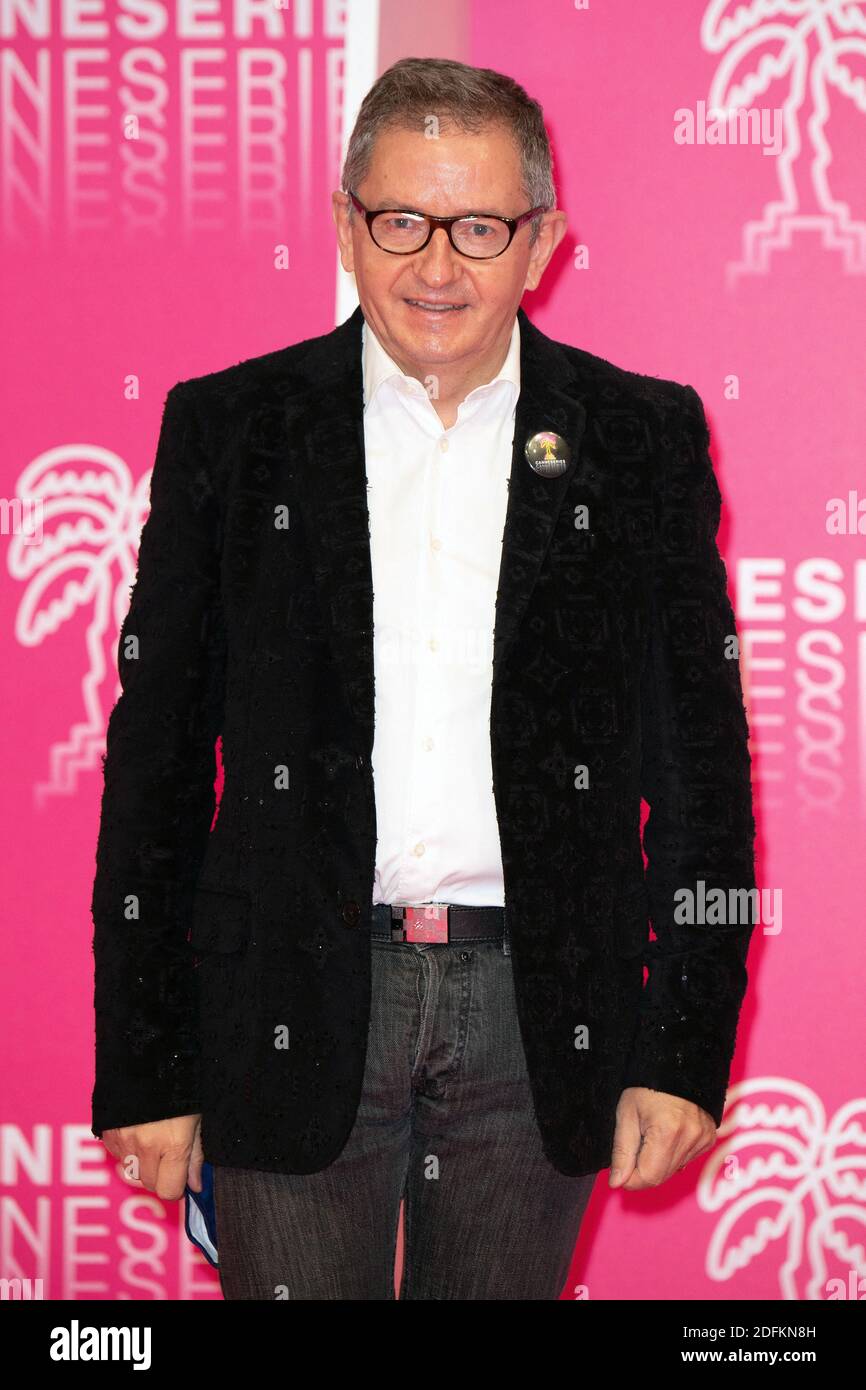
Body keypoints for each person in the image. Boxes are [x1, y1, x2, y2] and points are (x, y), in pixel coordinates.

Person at [90, 56, 757, 1300]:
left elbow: (702, 769)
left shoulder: (639, 438)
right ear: (346, 224)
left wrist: (682, 1044)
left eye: (479, 227)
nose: (435, 266)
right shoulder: (232, 430)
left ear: (541, 239)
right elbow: (159, 769)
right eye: (398, 220)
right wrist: (145, 1061)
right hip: (286, 994)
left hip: (538, 1008)